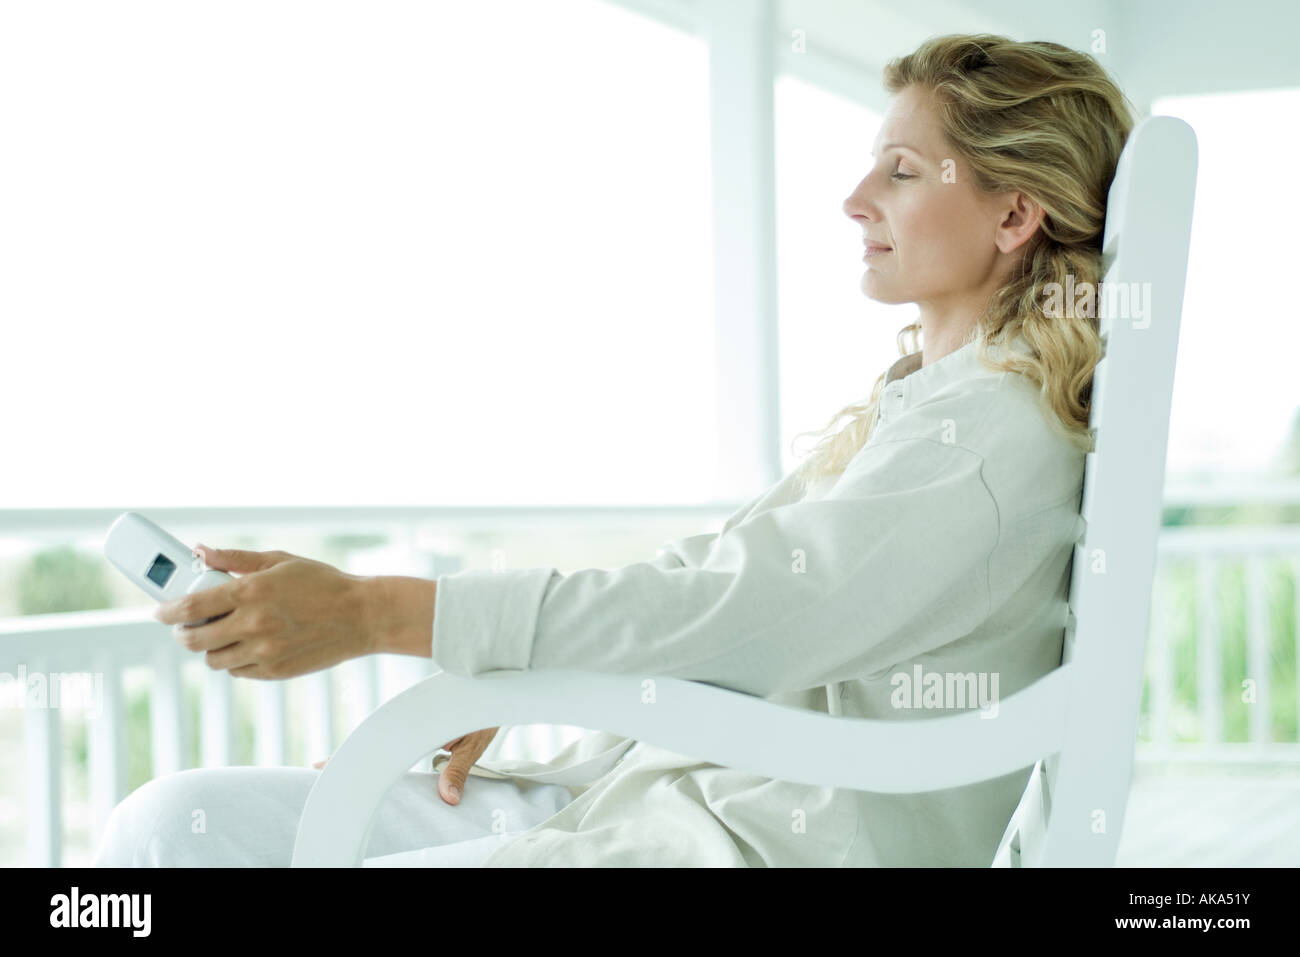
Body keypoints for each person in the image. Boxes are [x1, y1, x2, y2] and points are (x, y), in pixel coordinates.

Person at [94, 32, 1137, 868]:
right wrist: (522, 684)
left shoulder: (987, 443)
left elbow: (748, 612)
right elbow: (727, 595)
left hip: (735, 841)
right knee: (167, 825)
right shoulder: (930, 406)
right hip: (644, 790)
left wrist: (375, 614)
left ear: (1013, 213)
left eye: (902, 172)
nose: (855, 199)